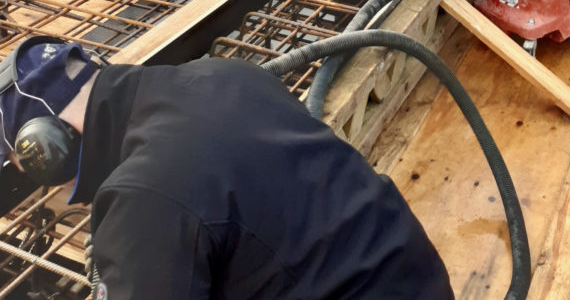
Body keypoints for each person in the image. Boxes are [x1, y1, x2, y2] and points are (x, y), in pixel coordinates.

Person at [0, 36, 454, 300]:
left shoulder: (142, 196)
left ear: (45, 144)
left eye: (24, 161)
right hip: (416, 278)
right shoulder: (224, 73)